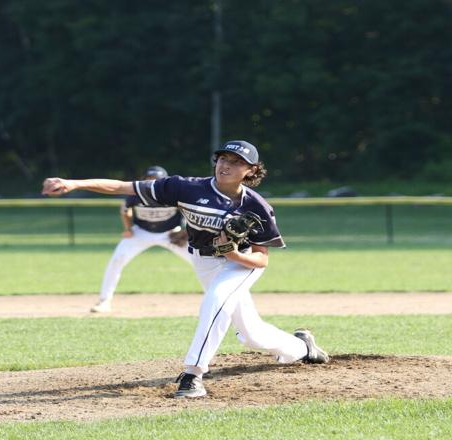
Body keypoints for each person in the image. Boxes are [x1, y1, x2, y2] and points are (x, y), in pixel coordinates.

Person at [43, 140, 329, 399]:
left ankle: (193, 374)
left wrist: (232, 253)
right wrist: (73, 183)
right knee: (252, 335)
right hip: (202, 259)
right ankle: (302, 347)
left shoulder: (256, 207)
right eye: (223, 159)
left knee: (216, 302)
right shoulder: (186, 187)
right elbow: (122, 187)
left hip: (240, 265)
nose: (227, 165)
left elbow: (262, 258)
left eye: (237, 162)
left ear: (251, 170)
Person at [90, 165, 195, 313]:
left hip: (171, 233)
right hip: (141, 232)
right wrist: (127, 229)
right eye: (149, 179)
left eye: (156, 180)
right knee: (117, 259)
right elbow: (125, 210)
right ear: (143, 181)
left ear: (164, 181)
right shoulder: (136, 194)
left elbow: (193, 212)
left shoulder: (174, 195)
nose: (152, 183)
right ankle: (104, 301)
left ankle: (217, 300)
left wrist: (185, 231)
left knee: (199, 260)